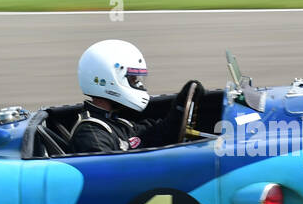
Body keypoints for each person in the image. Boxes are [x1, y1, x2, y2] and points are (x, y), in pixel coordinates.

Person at [68, 40, 204, 154]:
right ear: (109, 80)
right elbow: (111, 178)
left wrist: (180, 106)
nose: (138, 85)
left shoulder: (119, 122)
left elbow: (159, 134)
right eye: (133, 80)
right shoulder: (91, 134)